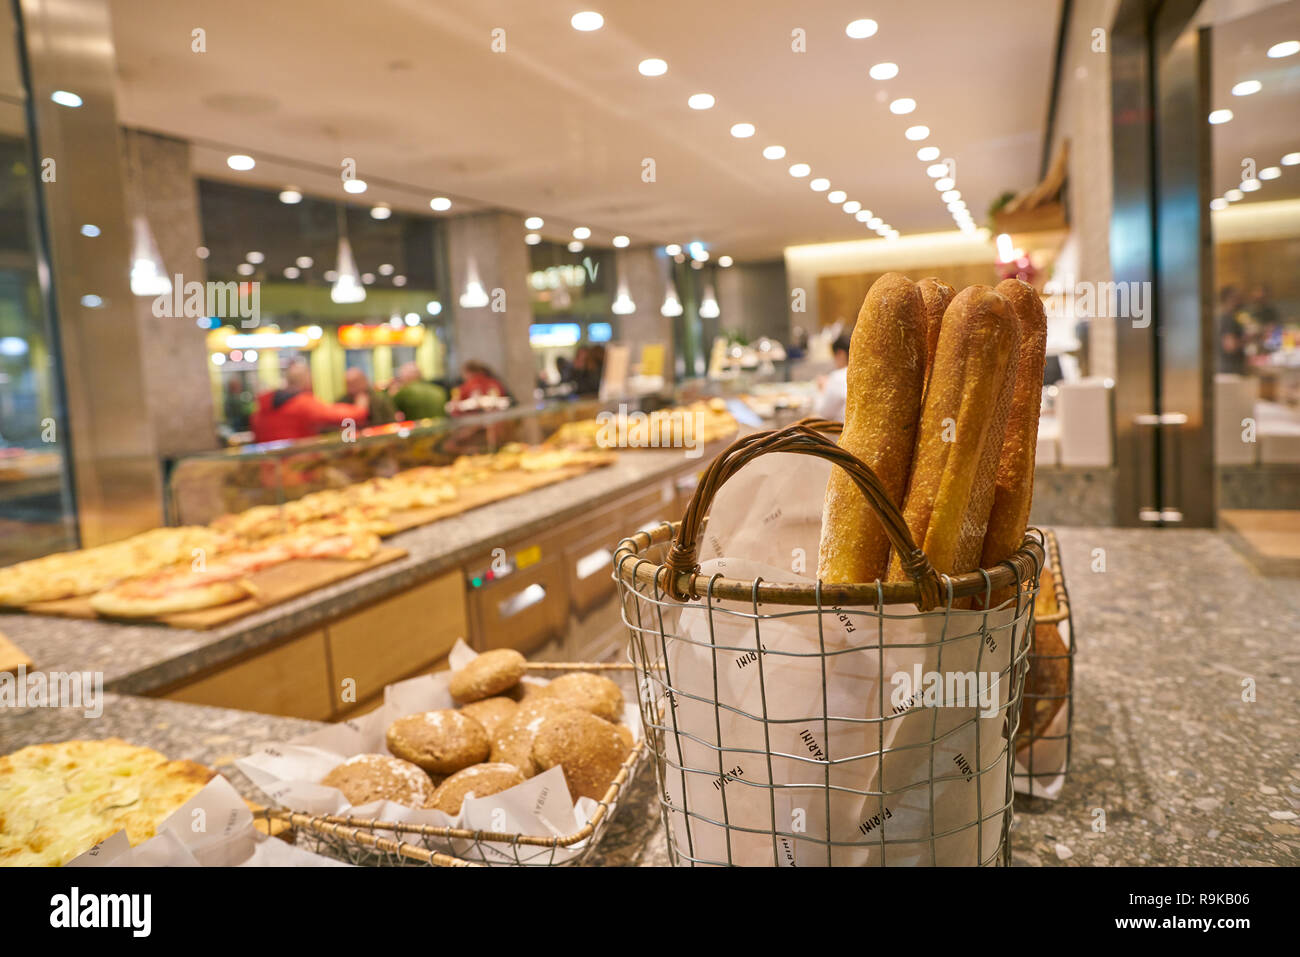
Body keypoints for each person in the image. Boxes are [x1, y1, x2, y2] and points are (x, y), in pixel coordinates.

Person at [251, 359, 368, 443]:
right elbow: (351, 415)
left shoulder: (262, 407)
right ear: (306, 380)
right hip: (300, 466)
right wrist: (361, 401)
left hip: (272, 470)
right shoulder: (302, 403)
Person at [813, 334, 851, 422]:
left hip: (841, 433)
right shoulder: (862, 375)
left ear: (840, 353)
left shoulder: (837, 377)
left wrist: (822, 388)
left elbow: (824, 413)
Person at [1216, 286, 1247, 375]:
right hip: (1230, 371)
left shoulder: (1221, 317)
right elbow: (1230, 346)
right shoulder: (1228, 319)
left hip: (1225, 369)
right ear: (1230, 299)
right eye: (1239, 297)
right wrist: (1248, 340)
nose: (1242, 300)